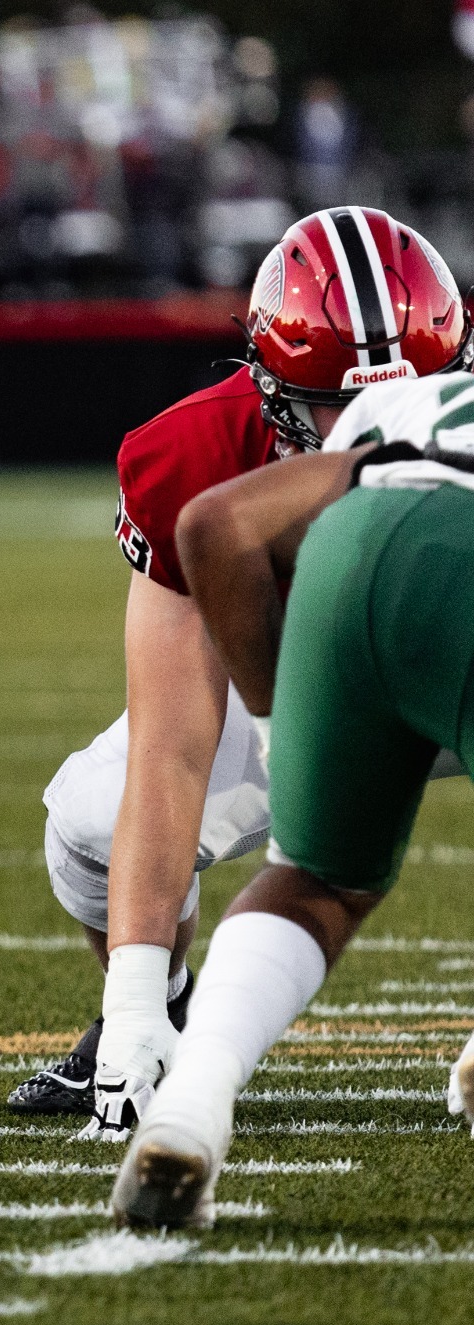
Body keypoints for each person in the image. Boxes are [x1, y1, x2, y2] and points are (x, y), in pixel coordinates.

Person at [15, 207, 469, 1138]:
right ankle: (159, 1016)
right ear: (263, 385)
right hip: (314, 685)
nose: (362, 432)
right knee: (92, 827)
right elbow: (174, 743)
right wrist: (137, 998)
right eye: (326, 408)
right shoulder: (195, 454)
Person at [113, 370, 474, 1228]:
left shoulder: (407, 406)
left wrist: (282, 724)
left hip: (355, 551)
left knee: (315, 875)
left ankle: (190, 1105)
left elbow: (214, 523)